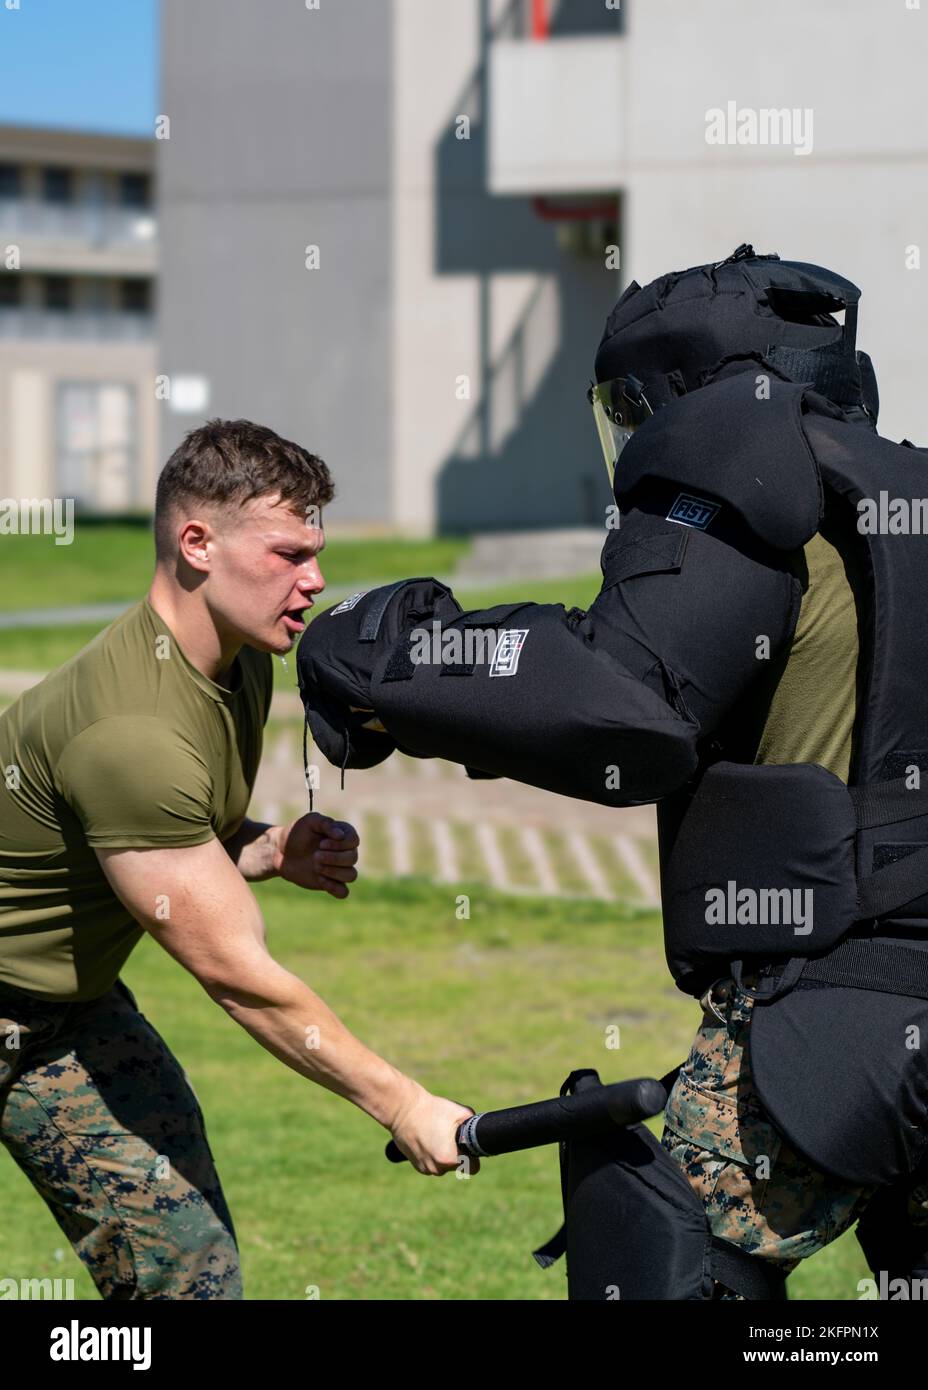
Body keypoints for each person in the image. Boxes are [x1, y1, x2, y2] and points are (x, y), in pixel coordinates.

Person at [299, 246, 928, 1298]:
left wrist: (385, 655)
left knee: (658, 1260)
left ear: (680, 394)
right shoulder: (895, 503)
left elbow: (621, 702)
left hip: (834, 1009)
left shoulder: (744, 472)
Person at [0, 418, 475, 1302]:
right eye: (289, 554)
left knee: (189, 1270)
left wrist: (265, 847)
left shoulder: (239, 660)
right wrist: (404, 1103)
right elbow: (238, 975)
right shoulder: (132, 732)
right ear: (197, 545)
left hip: (64, 1012)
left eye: (316, 553)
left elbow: (165, 834)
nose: (315, 580)